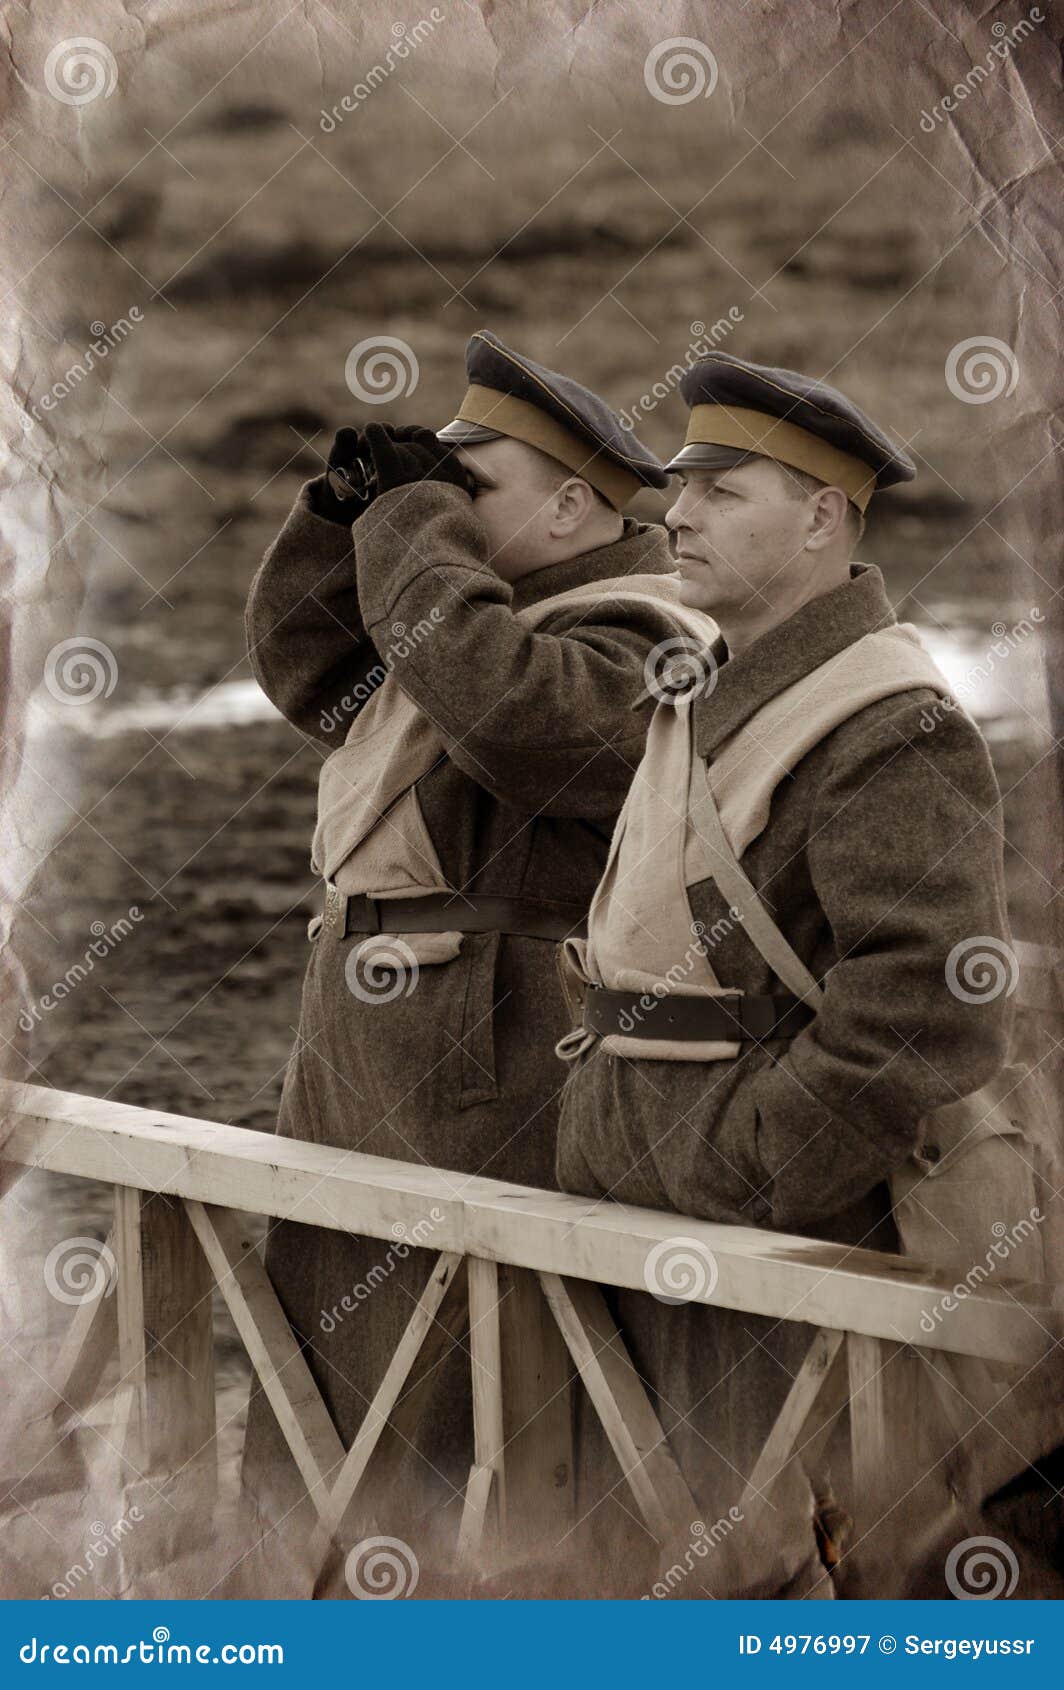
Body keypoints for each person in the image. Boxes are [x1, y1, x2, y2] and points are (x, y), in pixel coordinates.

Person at [238, 329, 717, 1578]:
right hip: (363, 1044)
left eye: (469, 486)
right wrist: (346, 511)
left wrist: (409, 523)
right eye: (432, 484)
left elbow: (507, 713)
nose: (438, 506)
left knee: (464, 1393)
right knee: (322, 1379)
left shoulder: (645, 643)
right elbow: (305, 666)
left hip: (490, 1062)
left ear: (571, 506)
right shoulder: (458, 619)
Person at [554, 350, 1017, 1597]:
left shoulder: (889, 724)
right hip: (653, 1210)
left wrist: (756, 1151)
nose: (672, 513)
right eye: (676, 488)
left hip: (792, 1234)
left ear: (820, 516)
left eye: (720, 491)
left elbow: (932, 997)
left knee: (827, 1577)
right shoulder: (701, 686)